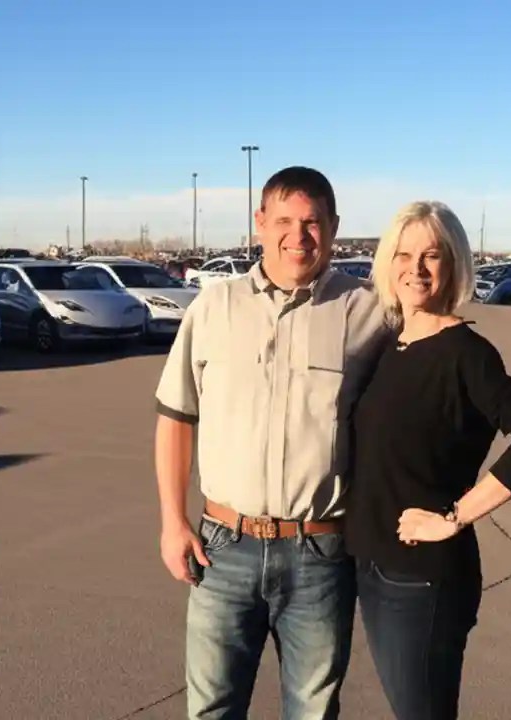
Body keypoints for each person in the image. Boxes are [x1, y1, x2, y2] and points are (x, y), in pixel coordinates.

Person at [153, 167, 388, 719]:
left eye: (311, 222)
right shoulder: (214, 308)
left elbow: (424, 373)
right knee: (212, 709)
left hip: (321, 554)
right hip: (222, 547)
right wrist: (172, 521)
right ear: (260, 224)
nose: (297, 236)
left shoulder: (368, 315)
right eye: (283, 220)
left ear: (333, 228)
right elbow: (175, 417)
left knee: (312, 711)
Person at [345, 201, 511, 720]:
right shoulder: (388, 343)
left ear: (454, 264)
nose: (415, 269)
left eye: (431, 256)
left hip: (422, 579)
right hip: (372, 564)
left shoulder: (465, 350)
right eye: (403, 254)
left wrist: (455, 516)